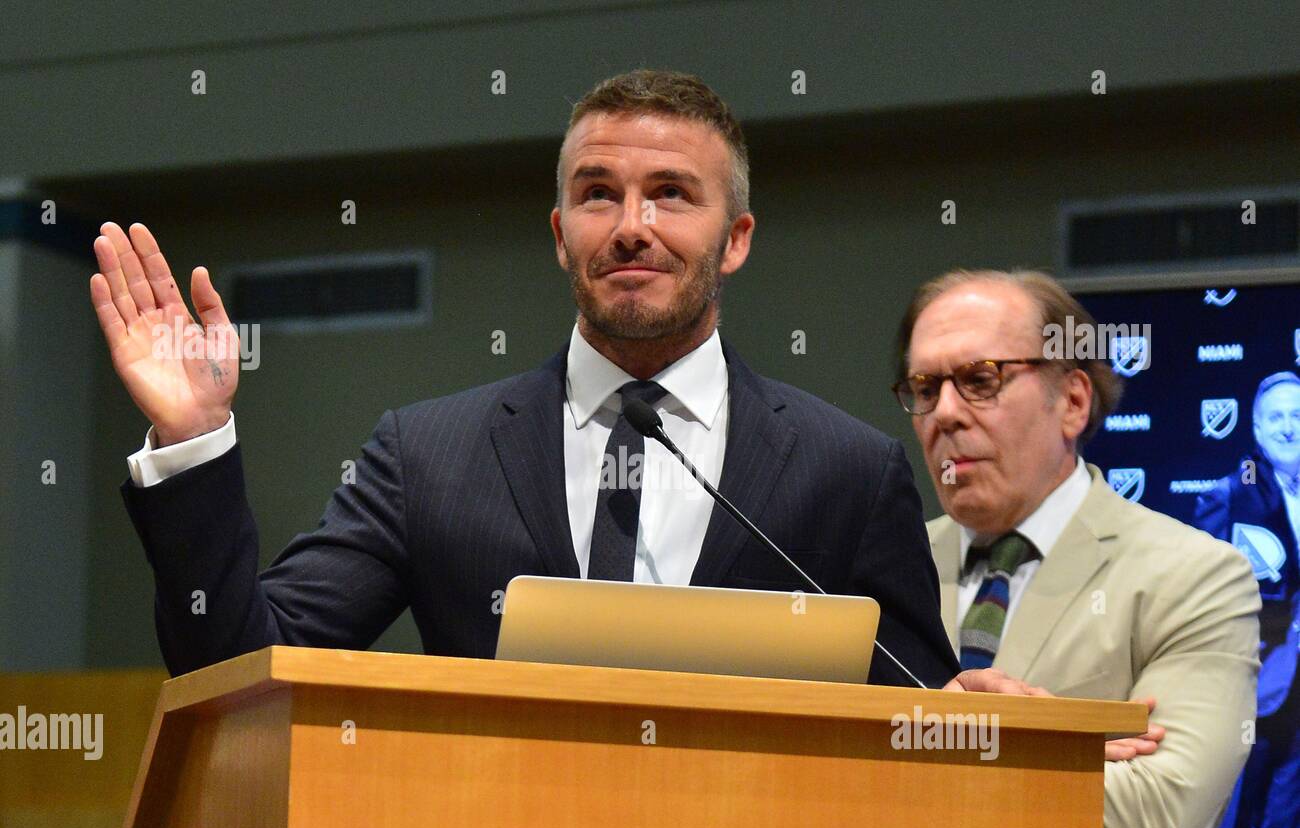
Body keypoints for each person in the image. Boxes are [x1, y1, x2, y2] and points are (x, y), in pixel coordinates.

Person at [92, 69, 985, 691]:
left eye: (672, 194)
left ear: (736, 239)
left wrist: (975, 721)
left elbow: (919, 718)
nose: (631, 226)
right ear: (561, 235)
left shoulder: (846, 472)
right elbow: (237, 664)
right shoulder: (427, 457)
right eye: (598, 193)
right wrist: (193, 439)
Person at [896, 268, 1260, 828]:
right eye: (924, 388)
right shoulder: (882, 567)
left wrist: (928, 751)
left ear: (1071, 401)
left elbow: (1159, 821)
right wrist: (1054, 750)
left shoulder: (1194, 574)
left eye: (979, 379)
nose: (944, 413)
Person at [1195, 371, 1300, 828]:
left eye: (1298, 416)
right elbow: (1202, 597)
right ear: (1257, 429)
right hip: (1247, 691)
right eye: (1276, 417)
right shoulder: (1231, 495)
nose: (1288, 427)